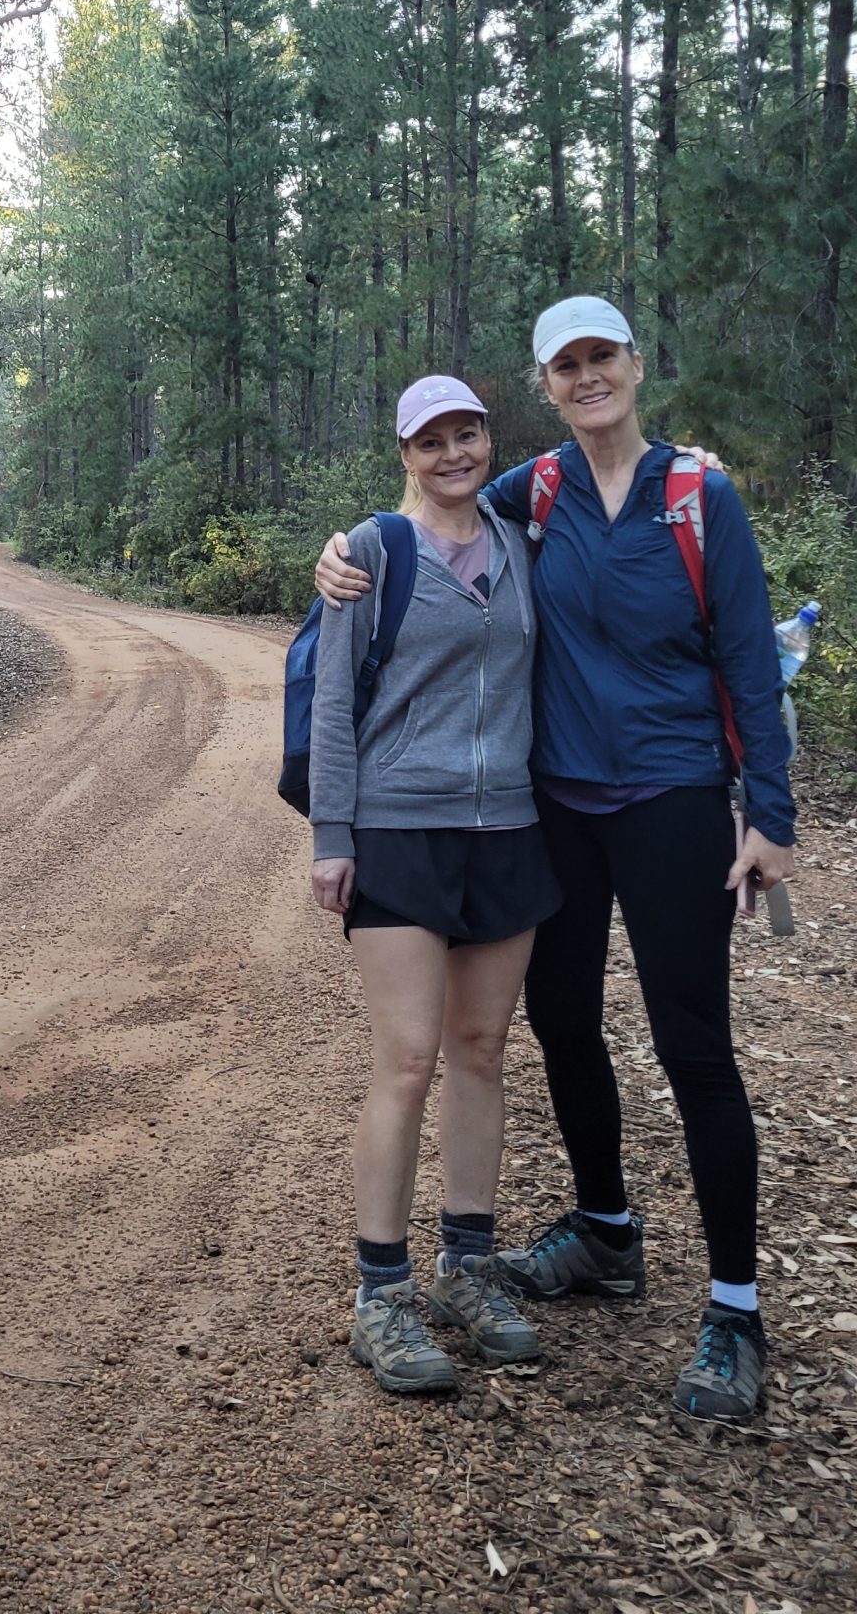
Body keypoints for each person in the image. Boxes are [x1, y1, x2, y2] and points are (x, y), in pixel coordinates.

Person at [314, 299, 796, 1424]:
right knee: (562, 1026)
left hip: (675, 800)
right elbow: (421, 518)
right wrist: (337, 551)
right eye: (565, 366)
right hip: (558, 811)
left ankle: (735, 1309)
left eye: (602, 359)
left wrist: (767, 811)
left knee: (693, 1045)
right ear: (547, 381)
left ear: (634, 364)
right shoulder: (531, 492)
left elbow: (751, 659)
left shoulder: (698, 495)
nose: (587, 378)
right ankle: (607, 1231)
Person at [310, 372, 563, 1400]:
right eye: (432, 440)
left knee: (482, 1049)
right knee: (409, 1057)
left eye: (468, 434)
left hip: (508, 825)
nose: (454, 453)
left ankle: (467, 1265)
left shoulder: (519, 539)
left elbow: (613, 471)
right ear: (404, 451)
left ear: (487, 439)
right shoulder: (372, 551)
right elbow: (334, 697)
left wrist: (699, 468)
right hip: (400, 828)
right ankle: (382, 1293)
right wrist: (334, 836)